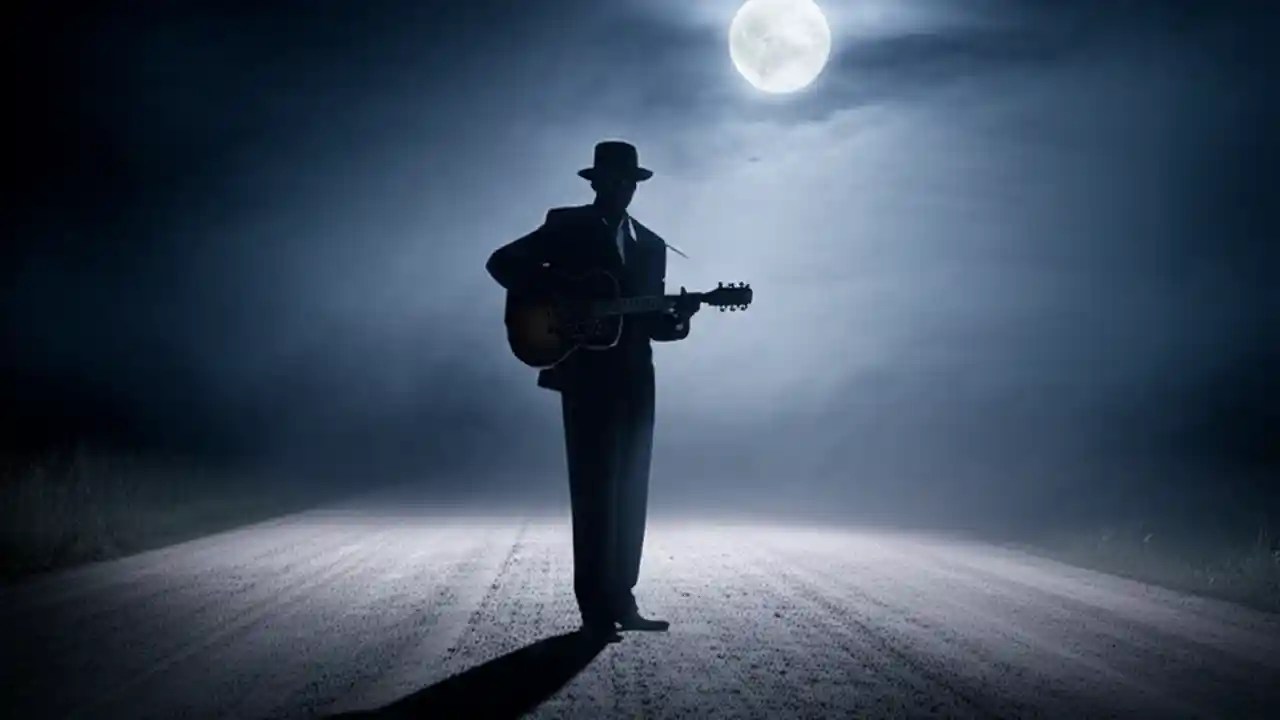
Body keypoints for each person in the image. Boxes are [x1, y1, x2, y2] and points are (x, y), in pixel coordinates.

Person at [485, 140, 698, 642]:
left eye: (629, 181)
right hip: (584, 373)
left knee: (632, 485)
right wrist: (564, 291)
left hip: (635, 375)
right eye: (612, 180)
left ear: (635, 185)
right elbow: (502, 263)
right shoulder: (567, 226)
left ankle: (624, 599)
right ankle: (595, 610)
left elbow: (650, 325)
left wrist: (681, 319)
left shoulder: (650, 244)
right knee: (593, 487)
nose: (621, 188)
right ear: (595, 182)